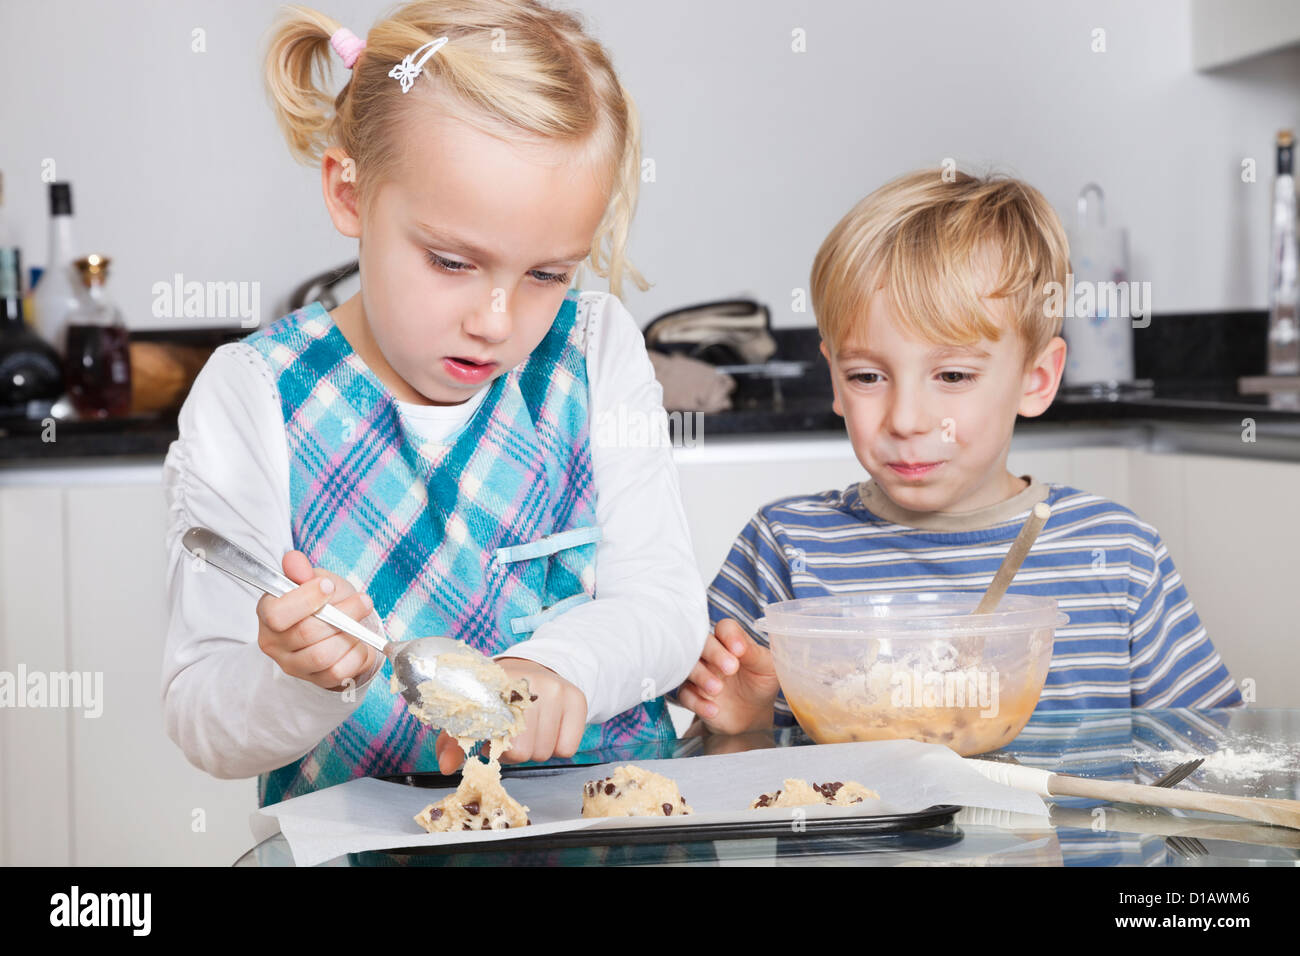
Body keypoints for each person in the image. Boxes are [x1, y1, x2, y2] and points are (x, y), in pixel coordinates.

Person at [161, 0, 707, 806]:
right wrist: (301, 680)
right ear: (350, 193)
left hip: (613, 832)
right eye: (452, 262)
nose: (495, 321)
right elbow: (202, 715)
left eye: (548, 275)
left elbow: (663, 609)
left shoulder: (593, 351)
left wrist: (558, 668)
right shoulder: (257, 394)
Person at [676, 167, 1243, 736]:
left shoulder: (1118, 556)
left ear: (1036, 379)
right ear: (834, 379)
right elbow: (716, 785)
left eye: (951, 375)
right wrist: (742, 730)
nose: (904, 420)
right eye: (868, 376)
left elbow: (1213, 754)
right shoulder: (783, 549)